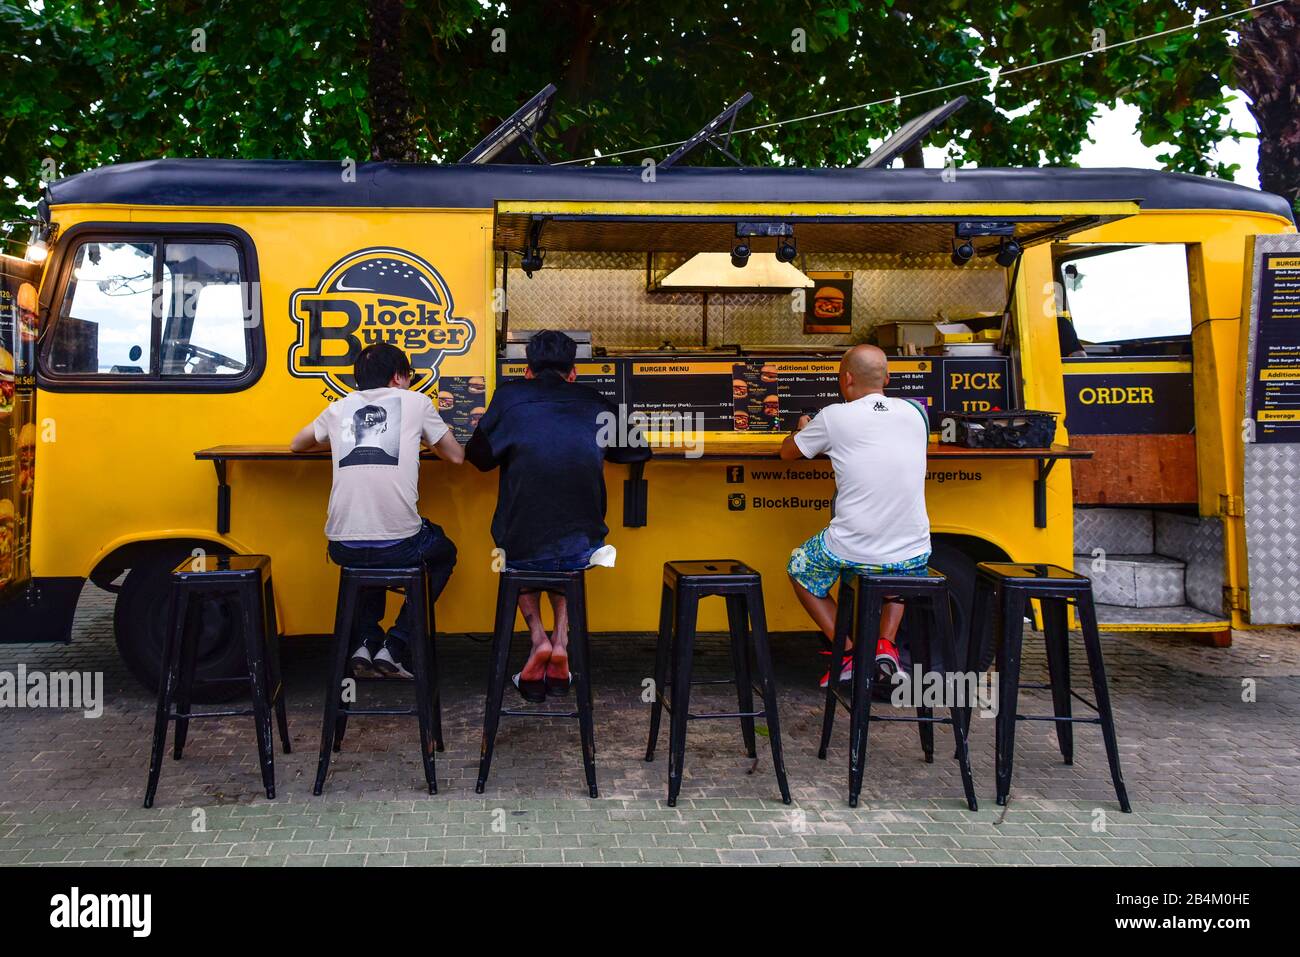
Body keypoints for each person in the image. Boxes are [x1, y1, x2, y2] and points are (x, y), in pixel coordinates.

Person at [467, 330, 651, 702]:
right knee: (568, 553)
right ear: (573, 372)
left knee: (520, 551)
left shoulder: (510, 397)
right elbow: (637, 451)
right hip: (581, 546)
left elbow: (479, 458)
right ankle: (561, 639)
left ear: (527, 371)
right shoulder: (593, 401)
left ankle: (538, 638)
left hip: (518, 545)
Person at [291, 343, 464, 678]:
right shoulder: (416, 403)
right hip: (400, 546)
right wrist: (423, 438)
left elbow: (297, 443)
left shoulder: (339, 408)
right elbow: (456, 456)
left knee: (368, 555)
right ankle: (396, 644)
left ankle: (366, 641)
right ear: (398, 377)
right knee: (442, 553)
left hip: (341, 547)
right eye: (408, 376)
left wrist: (340, 439)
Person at [780, 344, 931, 688]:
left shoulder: (834, 416)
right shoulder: (916, 413)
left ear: (846, 379)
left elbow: (788, 453)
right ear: (888, 378)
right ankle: (885, 646)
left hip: (853, 547)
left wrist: (804, 428)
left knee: (799, 568)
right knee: (899, 568)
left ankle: (847, 654)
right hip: (915, 549)